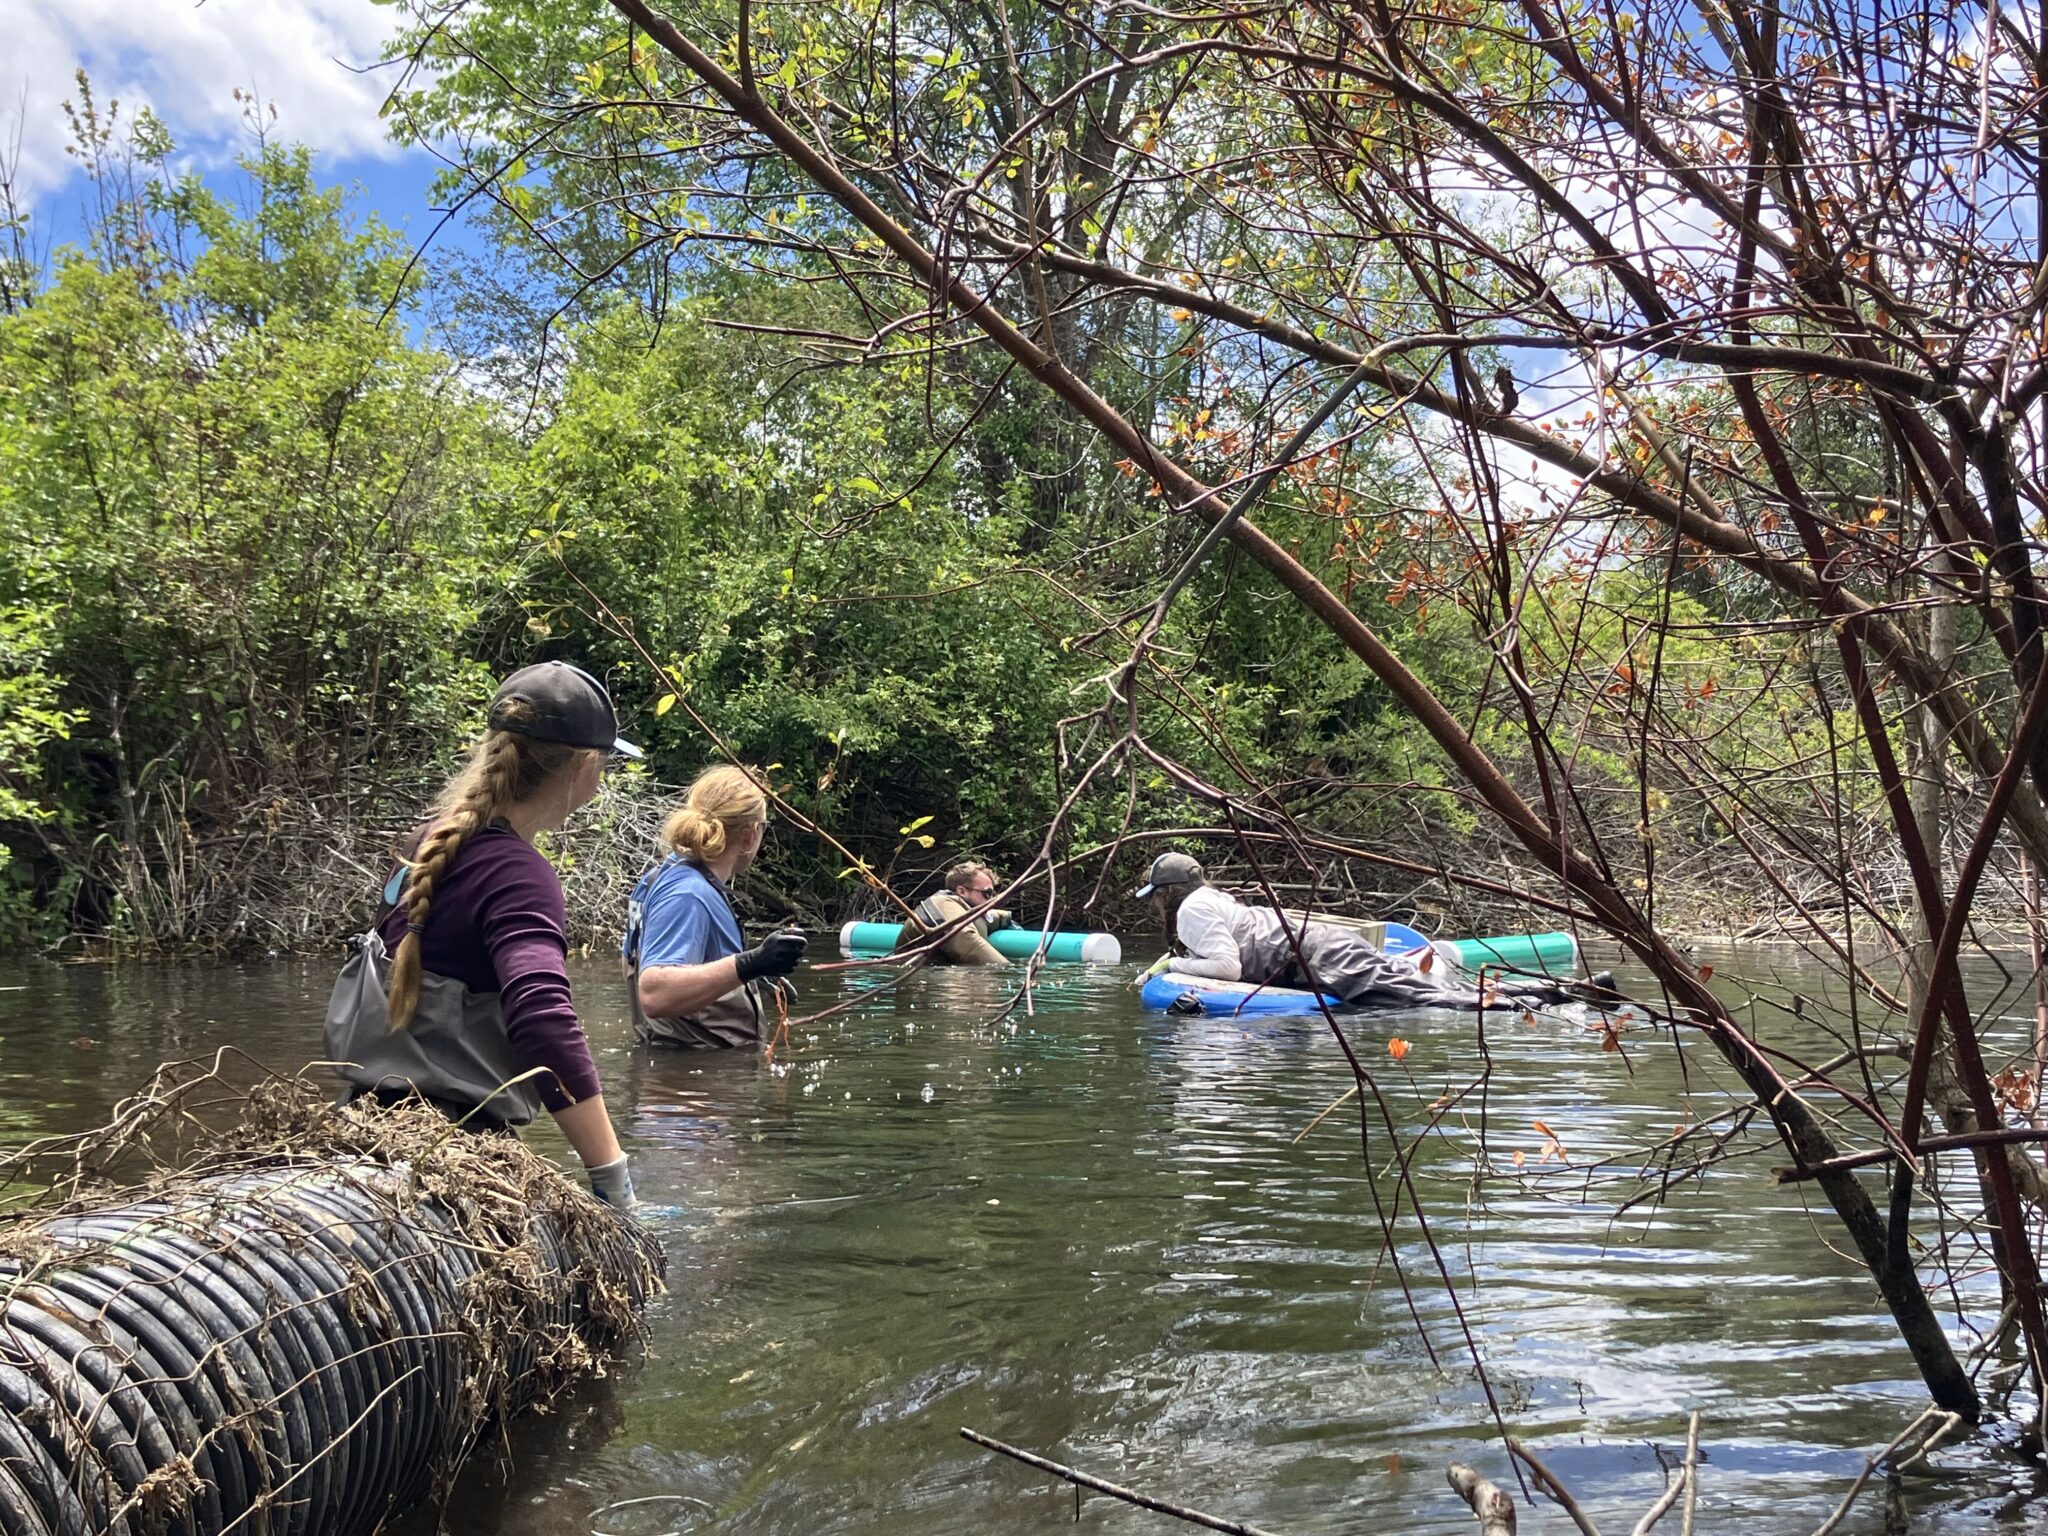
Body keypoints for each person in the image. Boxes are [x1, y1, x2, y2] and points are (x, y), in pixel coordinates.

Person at [324, 661, 641, 1207]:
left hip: (361, 1119)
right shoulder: (520, 876)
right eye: (606, 761)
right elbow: (543, 1021)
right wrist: (613, 1178)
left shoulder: (428, 840)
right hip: (454, 1144)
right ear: (583, 766)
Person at [1134, 852, 1602, 1010]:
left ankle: (1563, 996)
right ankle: (1564, 991)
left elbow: (1227, 966)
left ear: (1169, 892)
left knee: (1428, 1000)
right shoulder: (1212, 897)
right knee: (1427, 990)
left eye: (1155, 894)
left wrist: (1172, 963)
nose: (1154, 903)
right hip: (1321, 947)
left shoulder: (1189, 912)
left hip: (1319, 956)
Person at [625, 764, 806, 1049]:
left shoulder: (661, 878)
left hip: (673, 1071)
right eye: (763, 828)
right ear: (749, 835)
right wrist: (750, 964)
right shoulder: (688, 893)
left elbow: (651, 961)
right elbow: (655, 993)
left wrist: (759, 976)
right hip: (694, 1081)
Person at [891, 859, 1018, 966]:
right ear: (962, 891)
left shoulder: (970, 911)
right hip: (919, 982)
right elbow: (968, 942)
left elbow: (993, 918)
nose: (991, 899)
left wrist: (1009, 921)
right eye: (987, 893)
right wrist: (1010, 972)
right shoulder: (942, 904)